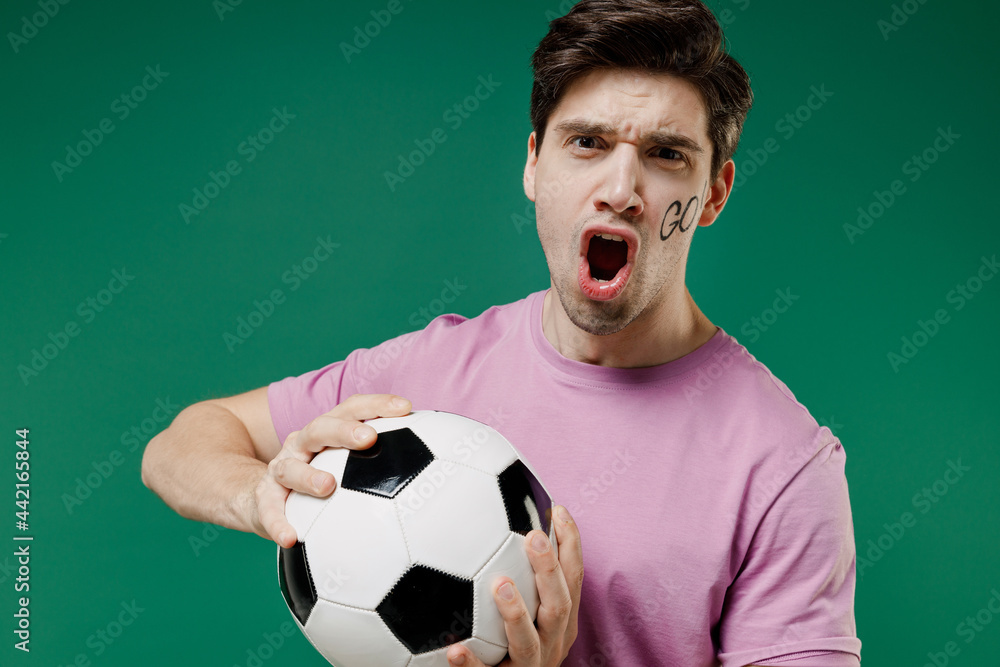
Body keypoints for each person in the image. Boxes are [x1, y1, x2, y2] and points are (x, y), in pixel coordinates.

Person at [142, 0, 862, 665]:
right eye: (587, 142)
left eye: (667, 154)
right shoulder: (422, 380)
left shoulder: (783, 468)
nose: (620, 188)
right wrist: (261, 493)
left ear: (714, 194)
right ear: (533, 164)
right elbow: (178, 444)